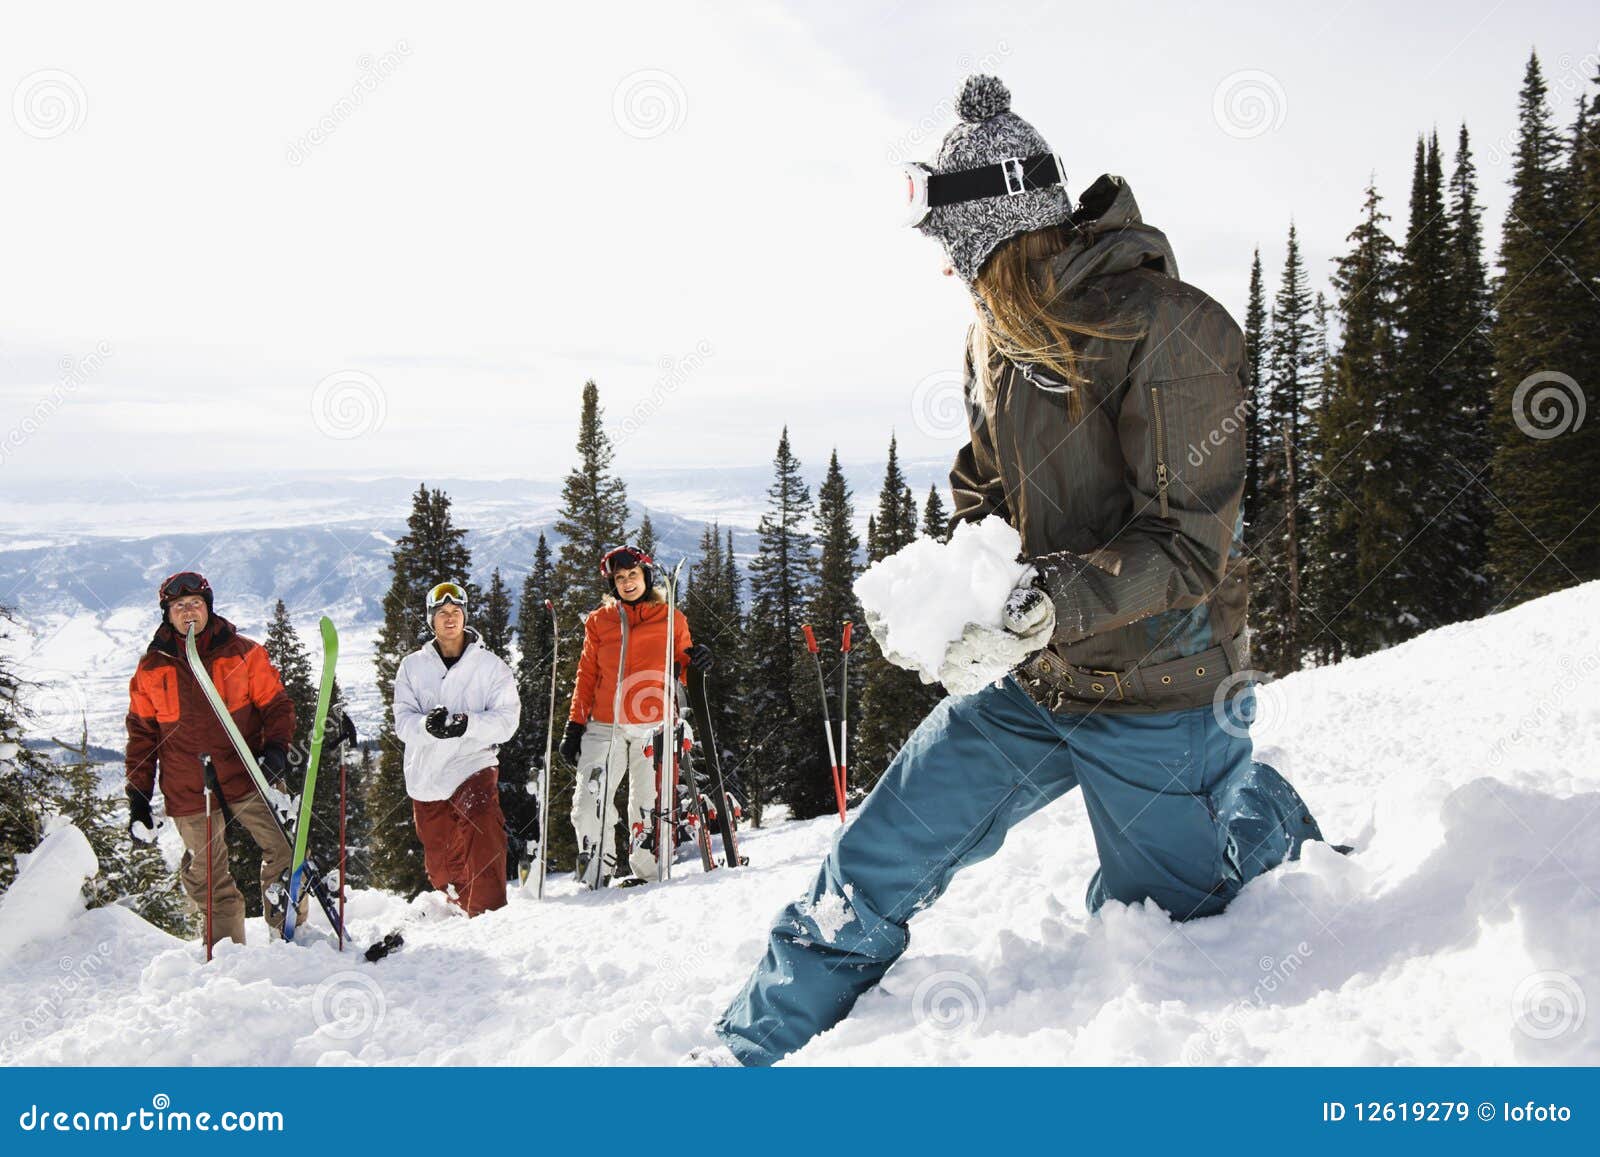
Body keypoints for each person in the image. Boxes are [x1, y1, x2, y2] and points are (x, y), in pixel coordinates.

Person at [702, 75, 1335, 1066]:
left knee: (1172, 918)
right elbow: (982, 491)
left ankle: (1257, 814)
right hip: (1036, 681)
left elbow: (1184, 544)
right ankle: (740, 1050)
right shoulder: (996, 341)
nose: (950, 278)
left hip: (1155, 690)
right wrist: (957, 591)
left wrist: (1045, 604)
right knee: (877, 853)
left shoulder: (1173, 331)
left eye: (958, 256)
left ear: (1000, 240)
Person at [124, 571, 304, 948]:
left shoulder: (243, 653)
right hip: (188, 787)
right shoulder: (152, 669)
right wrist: (138, 795)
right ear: (167, 615)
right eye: (178, 606)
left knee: (286, 849)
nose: (188, 612)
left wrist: (276, 749)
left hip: (247, 774)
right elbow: (142, 737)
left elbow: (277, 706)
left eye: (195, 604)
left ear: (208, 608)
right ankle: (226, 954)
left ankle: (290, 935)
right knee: (209, 875)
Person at [559, 546, 712, 887]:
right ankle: (597, 873)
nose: (627, 583)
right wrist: (574, 726)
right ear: (612, 584)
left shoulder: (672, 618)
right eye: (620, 578)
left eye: (633, 575)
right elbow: (586, 676)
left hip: (653, 725)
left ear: (646, 577)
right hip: (604, 725)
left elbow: (683, 668)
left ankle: (648, 874)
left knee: (647, 807)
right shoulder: (600, 621)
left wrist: (698, 661)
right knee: (587, 804)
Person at [392, 580, 521, 916]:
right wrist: (426, 727)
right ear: (431, 620)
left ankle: (488, 914)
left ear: (465, 616)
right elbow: (402, 721)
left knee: (482, 822)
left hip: (472, 763)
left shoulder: (491, 667)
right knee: (442, 862)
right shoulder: (412, 666)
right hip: (428, 772)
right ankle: (455, 904)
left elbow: (508, 720)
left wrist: (471, 725)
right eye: (442, 613)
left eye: (456, 612)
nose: (450, 618)